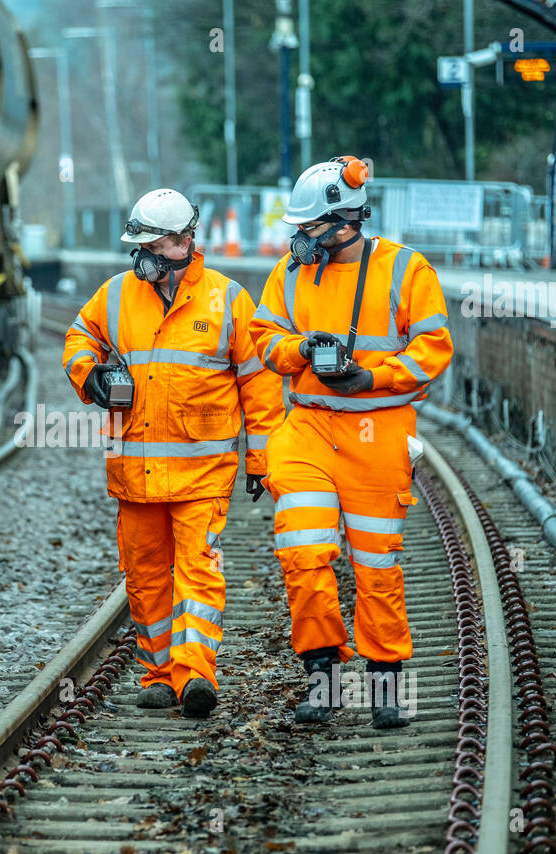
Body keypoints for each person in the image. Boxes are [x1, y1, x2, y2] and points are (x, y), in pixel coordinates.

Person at [247, 156, 453, 729]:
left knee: (376, 562)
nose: (297, 239)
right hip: (309, 425)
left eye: (307, 229)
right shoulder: (289, 273)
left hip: (380, 427)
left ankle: (387, 683)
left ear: (344, 222)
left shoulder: (407, 271)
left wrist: (374, 377)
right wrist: (299, 351)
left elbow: (433, 347)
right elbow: (264, 339)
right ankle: (325, 679)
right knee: (303, 551)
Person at [62, 188, 284, 718]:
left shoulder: (228, 300)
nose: (141, 252)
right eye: (137, 242)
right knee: (143, 575)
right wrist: (88, 375)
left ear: (184, 241)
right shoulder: (115, 295)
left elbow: (259, 385)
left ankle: (195, 673)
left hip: (202, 472)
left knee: (196, 572)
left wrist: (261, 459)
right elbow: (78, 339)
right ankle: (158, 673)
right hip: (135, 470)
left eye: (152, 242)